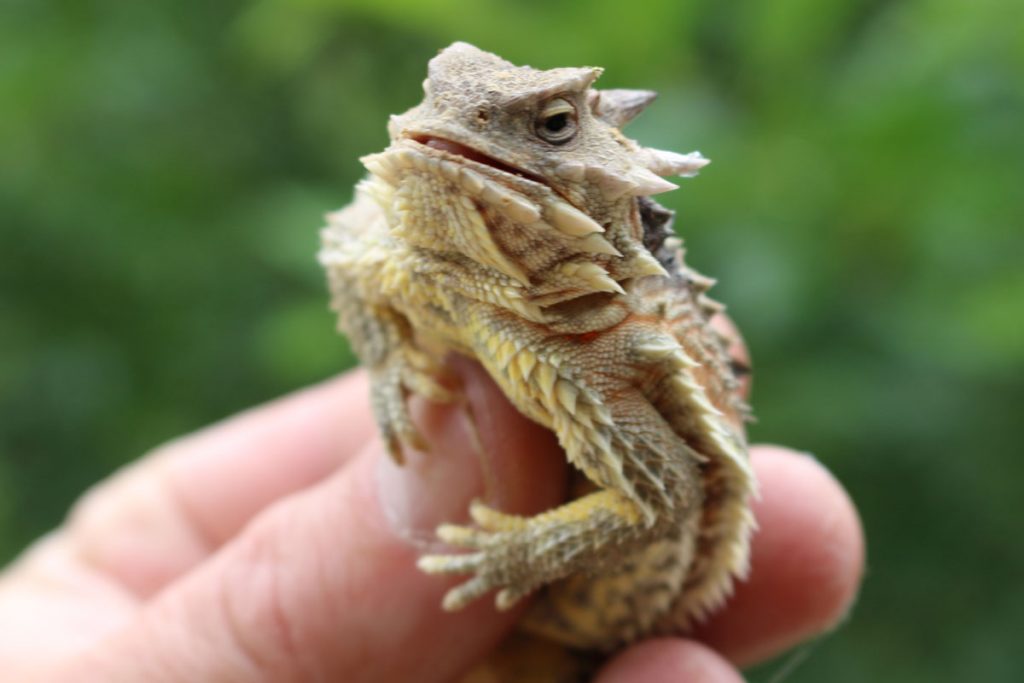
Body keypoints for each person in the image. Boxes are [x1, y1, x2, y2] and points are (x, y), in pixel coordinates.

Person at [0, 357, 863, 682]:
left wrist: (521, 547)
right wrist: (390, 353)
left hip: (586, 620)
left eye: (553, 125)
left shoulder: (604, 322)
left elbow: (659, 493)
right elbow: (356, 255)